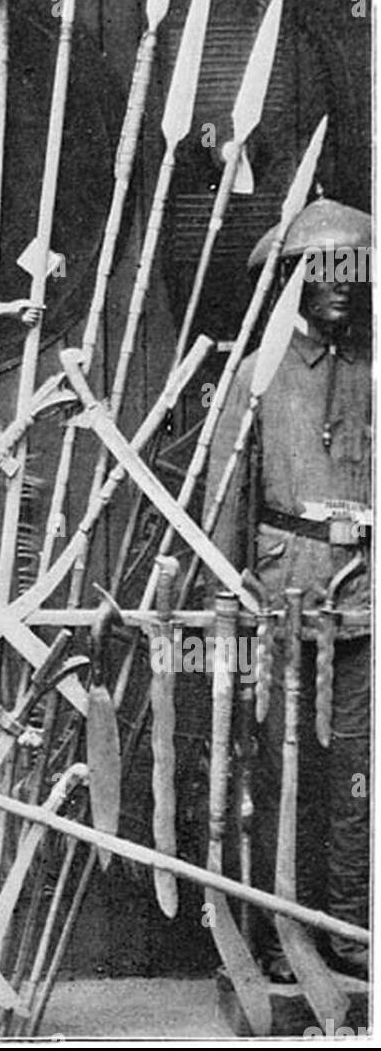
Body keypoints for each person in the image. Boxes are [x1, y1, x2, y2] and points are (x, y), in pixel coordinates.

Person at [203, 197, 371, 982]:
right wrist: (227, 600)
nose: (343, 282)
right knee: (279, 775)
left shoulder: (370, 373)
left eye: (354, 267)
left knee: (356, 777)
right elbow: (228, 497)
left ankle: (348, 938)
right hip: (281, 602)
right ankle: (280, 938)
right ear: (294, 279)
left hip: (362, 603)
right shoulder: (257, 376)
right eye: (326, 267)